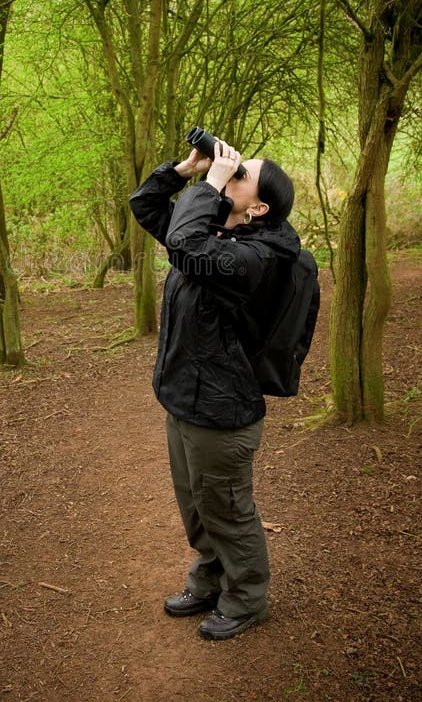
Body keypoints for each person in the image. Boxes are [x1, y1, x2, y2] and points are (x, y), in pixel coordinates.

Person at [129, 138, 298, 640]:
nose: (231, 173)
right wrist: (186, 171)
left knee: (226, 508)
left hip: (223, 412)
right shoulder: (212, 236)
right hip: (185, 399)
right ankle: (210, 578)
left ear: (260, 207)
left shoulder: (254, 259)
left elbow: (184, 244)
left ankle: (247, 598)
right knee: (197, 506)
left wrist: (209, 186)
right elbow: (146, 208)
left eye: (241, 174)